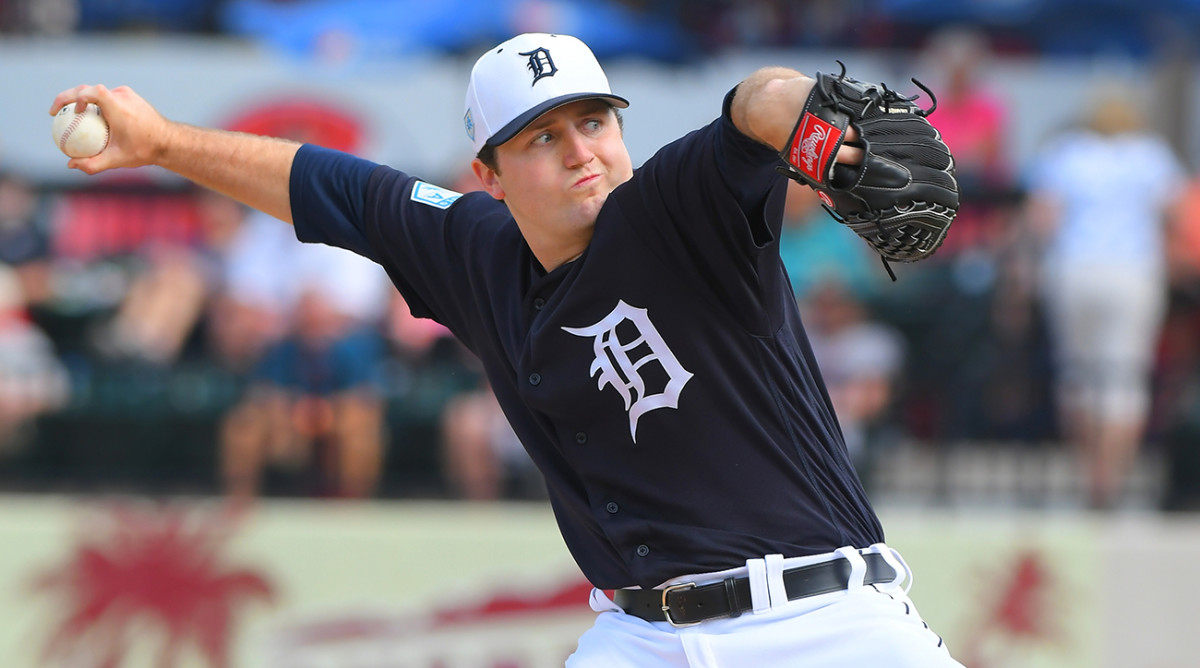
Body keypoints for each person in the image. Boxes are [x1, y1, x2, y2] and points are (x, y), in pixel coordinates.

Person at [50, 32, 962, 666]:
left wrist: (824, 134)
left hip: (822, 620)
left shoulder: (678, 212)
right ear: (488, 175)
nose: (581, 152)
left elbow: (759, 102)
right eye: (543, 137)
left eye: (595, 122)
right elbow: (322, 183)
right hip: (642, 639)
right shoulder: (476, 251)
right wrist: (160, 142)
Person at [1025, 87, 1187, 509]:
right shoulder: (1150, 154)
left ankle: (1088, 476)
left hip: (1074, 268)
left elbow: (1043, 219)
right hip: (1133, 270)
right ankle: (1110, 480)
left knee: (1076, 375)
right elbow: (1177, 215)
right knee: (1125, 377)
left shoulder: (1066, 152)